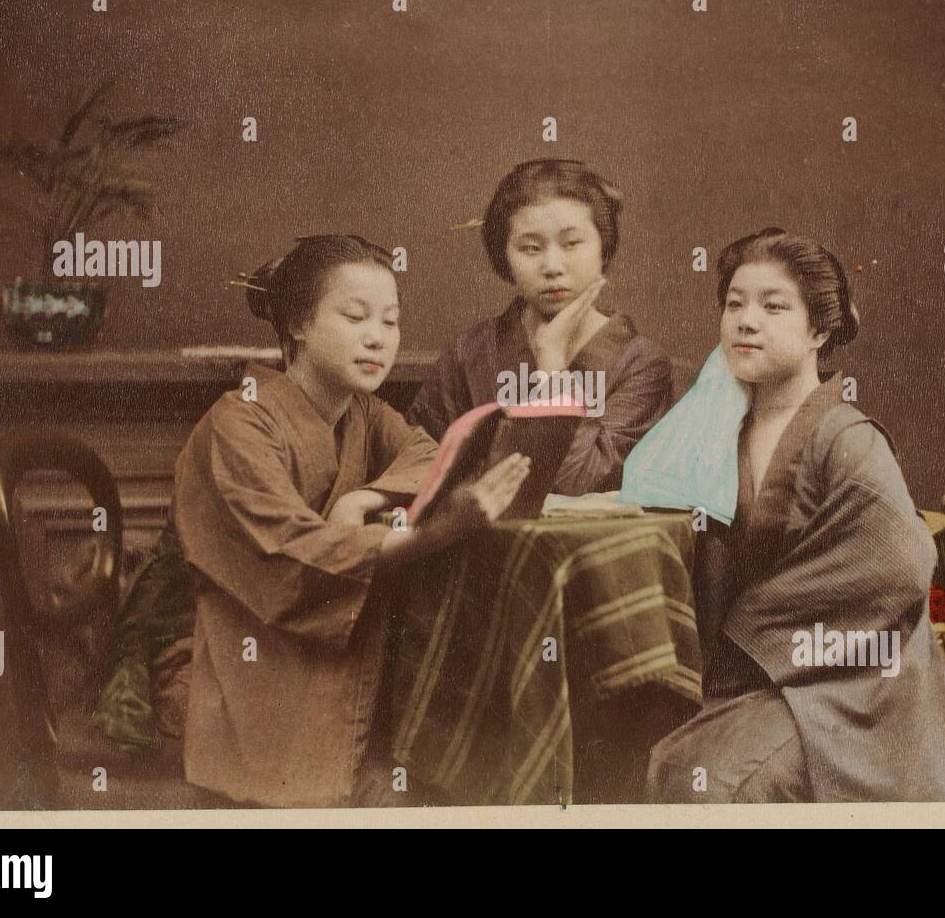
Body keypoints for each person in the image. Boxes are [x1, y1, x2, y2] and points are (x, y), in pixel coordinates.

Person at [171, 234, 530, 808]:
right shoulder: (237, 423)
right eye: (355, 316)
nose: (377, 338)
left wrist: (362, 498)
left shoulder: (364, 412)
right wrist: (427, 533)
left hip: (344, 657)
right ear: (298, 326)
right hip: (263, 667)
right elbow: (289, 553)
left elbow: (427, 455)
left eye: (390, 322)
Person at [635, 227, 945, 802]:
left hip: (855, 688)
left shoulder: (846, 438)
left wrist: (750, 632)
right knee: (652, 750)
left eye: (774, 306)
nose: (747, 321)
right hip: (761, 674)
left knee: (710, 779)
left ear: (818, 330)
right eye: (734, 303)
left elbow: (900, 565)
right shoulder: (718, 427)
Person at [406, 159, 673, 495]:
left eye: (572, 243)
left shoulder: (641, 363)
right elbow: (416, 462)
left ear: (603, 248)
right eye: (530, 248)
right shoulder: (471, 351)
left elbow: (577, 483)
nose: (552, 266)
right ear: (505, 258)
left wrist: (552, 362)